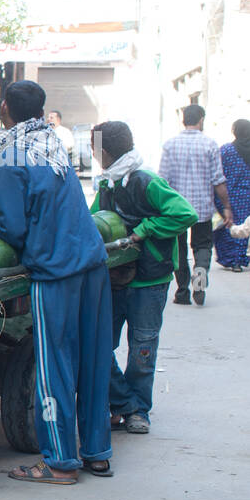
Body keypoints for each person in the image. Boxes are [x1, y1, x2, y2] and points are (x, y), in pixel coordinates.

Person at [0, 80, 112, 484]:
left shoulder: (7, 152)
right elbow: (18, 193)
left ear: (4, 108)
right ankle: (97, 453)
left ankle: (60, 463)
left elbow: (12, 224)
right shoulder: (48, 139)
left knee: (55, 366)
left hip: (56, 268)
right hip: (91, 259)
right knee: (93, 358)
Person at [89, 120, 197, 435]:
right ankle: (125, 404)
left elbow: (184, 213)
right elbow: (94, 218)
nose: (94, 156)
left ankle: (139, 412)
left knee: (142, 350)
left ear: (104, 151)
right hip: (115, 278)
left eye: (96, 150)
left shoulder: (146, 181)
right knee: (98, 344)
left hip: (149, 281)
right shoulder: (108, 184)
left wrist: (145, 230)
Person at [158, 104, 235, 305]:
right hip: (202, 207)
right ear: (201, 120)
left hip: (176, 209)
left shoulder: (170, 145)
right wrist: (226, 207)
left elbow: (162, 180)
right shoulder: (209, 144)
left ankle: (182, 292)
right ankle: (199, 279)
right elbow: (218, 180)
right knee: (202, 246)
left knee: (179, 249)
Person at [212, 119, 250, 271]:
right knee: (245, 226)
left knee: (229, 225)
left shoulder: (226, 150)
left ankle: (230, 259)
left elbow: (217, 174)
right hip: (248, 196)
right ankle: (240, 259)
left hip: (228, 196)